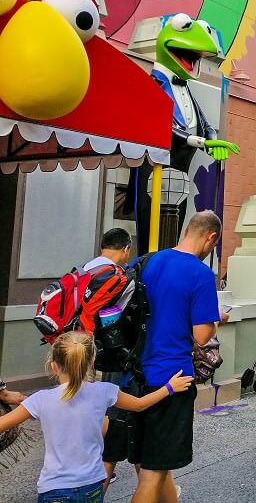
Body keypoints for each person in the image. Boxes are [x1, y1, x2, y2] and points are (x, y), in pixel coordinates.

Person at [0, 332, 192, 503]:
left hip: (54, 488)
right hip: (91, 485)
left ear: (53, 366)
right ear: (92, 361)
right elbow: (140, 404)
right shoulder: (105, 392)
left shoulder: (40, 399)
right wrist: (169, 388)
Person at [131, 210, 225, 503]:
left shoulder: (147, 261)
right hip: (172, 378)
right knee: (152, 475)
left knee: (153, 465)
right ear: (211, 238)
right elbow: (200, 336)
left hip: (134, 374)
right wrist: (215, 319)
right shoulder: (200, 274)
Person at [81, 227, 138, 491]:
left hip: (72, 346)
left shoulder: (83, 270)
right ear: (126, 249)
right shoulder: (117, 276)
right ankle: (97, 463)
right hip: (101, 351)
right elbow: (119, 316)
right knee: (107, 405)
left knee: (77, 399)